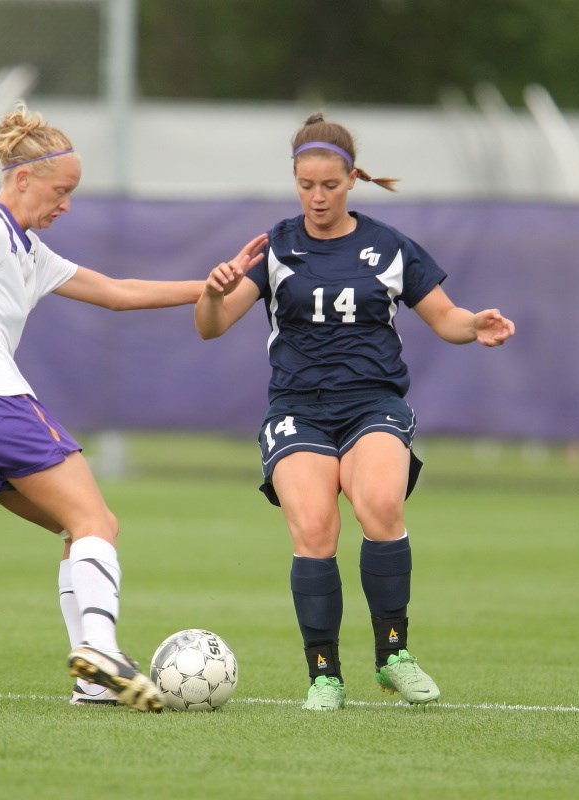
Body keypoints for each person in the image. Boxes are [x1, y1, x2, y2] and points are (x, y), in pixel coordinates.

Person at [0, 103, 267, 712]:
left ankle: (92, 678)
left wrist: (220, 285)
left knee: (75, 530)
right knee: (98, 524)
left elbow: (118, 292)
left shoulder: (27, 250)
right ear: (23, 178)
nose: (66, 203)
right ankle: (104, 652)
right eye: (61, 191)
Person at [194, 113, 515, 711]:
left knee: (379, 504)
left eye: (330, 186)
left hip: (372, 402)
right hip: (297, 408)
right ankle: (324, 675)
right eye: (306, 185)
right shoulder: (276, 245)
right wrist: (212, 293)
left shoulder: (388, 245)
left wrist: (476, 325)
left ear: (352, 181)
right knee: (315, 529)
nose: (317, 198)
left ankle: (394, 655)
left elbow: (445, 318)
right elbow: (211, 328)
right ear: (295, 181)